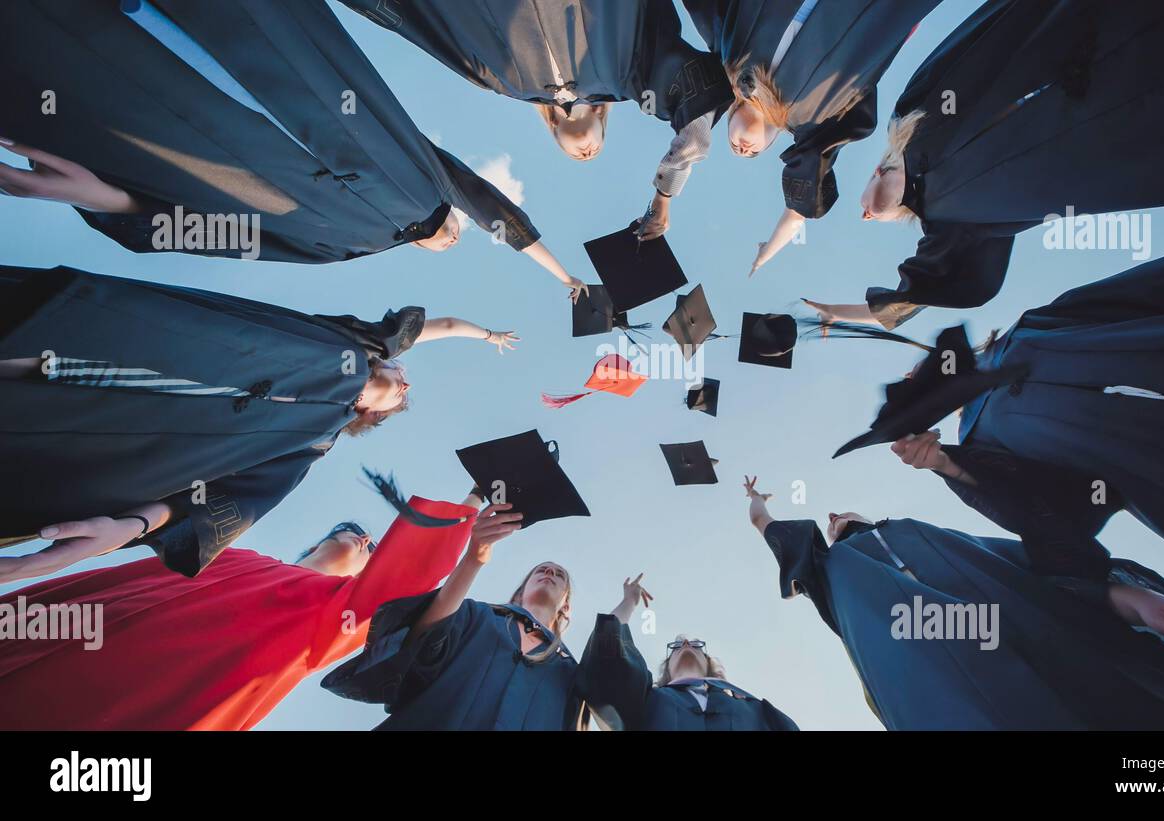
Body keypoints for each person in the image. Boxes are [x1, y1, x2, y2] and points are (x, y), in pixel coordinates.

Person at [0, 0, 587, 299]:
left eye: (448, 245)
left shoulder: (339, 248)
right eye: (461, 230)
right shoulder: (425, 175)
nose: (454, 237)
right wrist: (563, 277)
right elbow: (498, 214)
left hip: (134, 106)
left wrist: (104, 198)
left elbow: (224, 238)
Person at [885, 214, 1164, 616]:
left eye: (913, 369)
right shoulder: (981, 443)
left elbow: (1161, 289)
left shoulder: (1031, 330)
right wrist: (946, 464)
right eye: (910, 386)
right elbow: (1062, 515)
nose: (913, 377)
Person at [0, 263, 516, 580]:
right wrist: (489, 334)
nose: (405, 385)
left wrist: (128, 525)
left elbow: (229, 500)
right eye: (404, 375)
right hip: (121, 342)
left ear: (372, 415)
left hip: (100, 440)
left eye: (402, 399)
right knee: (37, 337)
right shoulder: (350, 344)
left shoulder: (313, 443)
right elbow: (440, 324)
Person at [804, 0, 1164, 328]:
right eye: (873, 220)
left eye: (861, 210)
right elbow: (910, 297)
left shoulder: (914, 115)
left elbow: (988, 38)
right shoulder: (952, 225)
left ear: (871, 176)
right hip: (1125, 148)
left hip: (1094, 55)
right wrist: (837, 313)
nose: (868, 215)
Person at [743, 476, 1164, 730]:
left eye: (844, 513)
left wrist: (1133, 598)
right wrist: (757, 505)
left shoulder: (930, 534)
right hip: (950, 693)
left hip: (1082, 659)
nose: (837, 517)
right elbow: (780, 536)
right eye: (833, 520)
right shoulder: (835, 573)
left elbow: (1051, 573)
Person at [0, 496, 475, 730]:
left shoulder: (340, 612)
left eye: (372, 548)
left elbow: (406, 578)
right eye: (354, 530)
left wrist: (472, 503)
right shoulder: (238, 555)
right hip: (80, 633)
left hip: (143, 694)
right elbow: (125, 577)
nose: (363, 540)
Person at [341, 0, 733, 240]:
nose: (587, 152)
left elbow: (425, 20)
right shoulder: (632, 73)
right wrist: (663, 199)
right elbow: (699, 102)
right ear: (602, 121)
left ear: (553, 134)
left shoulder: (502, 80)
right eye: (595, 151)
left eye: (579, 157)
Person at [683, 0, 940, 273]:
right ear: (773, 141)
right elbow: (800, 202)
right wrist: (767, 251)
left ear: (730, 114)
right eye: (752, 152)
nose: (743, 149)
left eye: (733, 145)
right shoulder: (811, 120)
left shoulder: (729, 54)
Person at [321, 497, 590, 729]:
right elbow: (424, 642)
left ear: (566, 606)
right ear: (520, 592)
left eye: (559, 575)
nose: (550, 573)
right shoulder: (478, 616)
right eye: (542, 569)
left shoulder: (572, 676)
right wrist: (474, 558)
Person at [577, 574, 799, 730]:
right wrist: (629, 602)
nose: (685, 645)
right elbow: (606, 656)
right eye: (676, 646)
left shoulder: (756, 710)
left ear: (709, 663)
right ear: (667, 669)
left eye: (695, 644)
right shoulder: (647, 701)